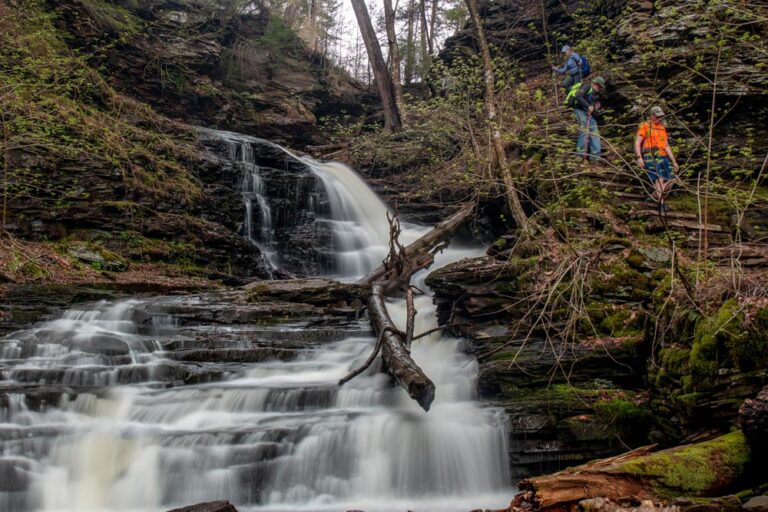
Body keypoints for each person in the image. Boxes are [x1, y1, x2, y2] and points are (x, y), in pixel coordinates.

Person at [635, 106, 679, 209]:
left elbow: (666, 145)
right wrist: (639, 157)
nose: (660, 118)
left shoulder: (662, 128)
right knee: (659, 178)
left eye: (661, 116)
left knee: (672, 178)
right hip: (650, 155)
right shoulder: (645, 126)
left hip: (663, 156)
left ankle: (653, 196)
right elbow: (637, 142)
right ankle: (661, 203)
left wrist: (673, 160)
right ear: (652, 115)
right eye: (658, 116)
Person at [571, 76, 605, 161]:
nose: (599, 88)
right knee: (584, 131)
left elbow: (594, 107)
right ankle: (580, 156)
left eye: (600, 87)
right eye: (598, 85)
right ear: (594, 83)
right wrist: (588, 106)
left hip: (589, 113)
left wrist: (596, 108)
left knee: (595, 133)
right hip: (579, 110)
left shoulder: (597, 94)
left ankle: (595, 158)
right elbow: (578, 96)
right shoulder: (587, 87)